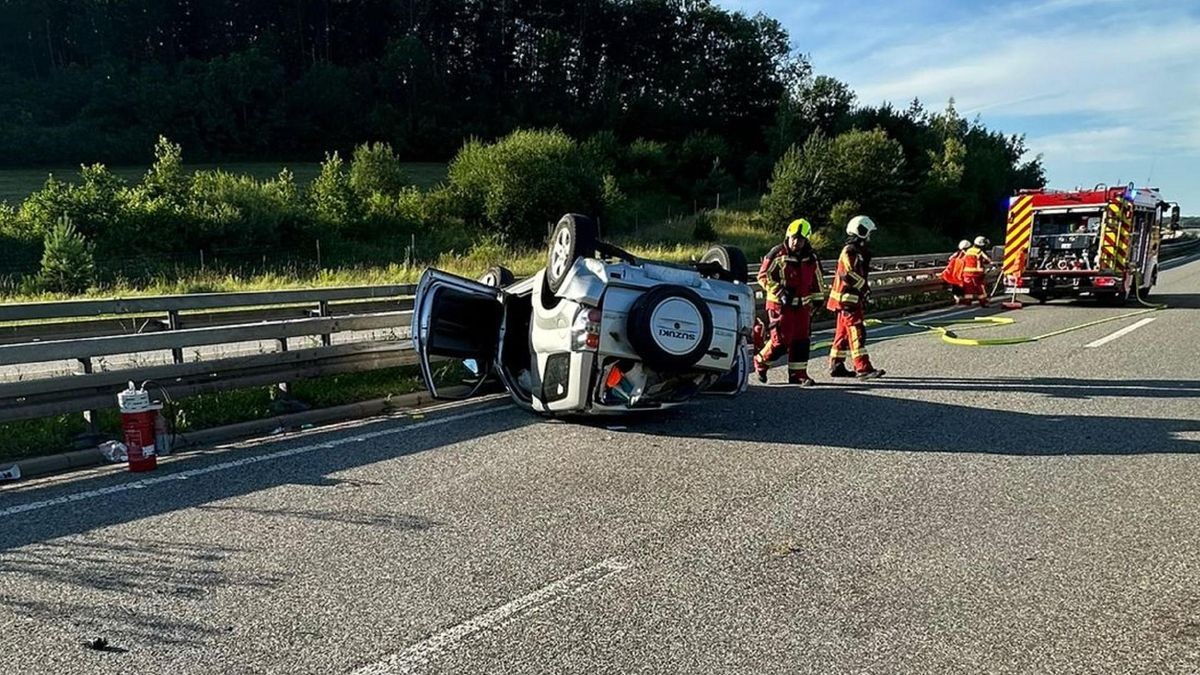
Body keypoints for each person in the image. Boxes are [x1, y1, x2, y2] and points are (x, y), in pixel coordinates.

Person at [753, 218, 824, 385]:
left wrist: (819, 297)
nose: (796, 242)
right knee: (781, 342)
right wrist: (778, 290)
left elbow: (817, 277)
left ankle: (798, 374)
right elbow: (762, 276)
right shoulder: (777, 254)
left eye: (800, 239)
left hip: (802, 306)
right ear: (788, 236)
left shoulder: (811, 257)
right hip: (780, 306)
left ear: (806, 239)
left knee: (801, 340)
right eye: (793, 238)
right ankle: (761, 362)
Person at [827, 216, 884, 379]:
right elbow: (848, 274)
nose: (869, 237)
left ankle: (836, 365)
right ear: (861, 230)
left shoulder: (858, 251)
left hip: (849, 299)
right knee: (856, 332)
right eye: (868, 233)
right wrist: (864, 288)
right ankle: (863, 367)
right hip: (847, 300)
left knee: (842, 334)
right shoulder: (850, 251)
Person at [960, 235, 993, 307]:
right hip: (976, 274)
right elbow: (989, 260)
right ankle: (983, 302)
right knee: (980, 288)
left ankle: (968, 301)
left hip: (966, 273)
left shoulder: (968, 251)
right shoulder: (979, 252)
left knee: (968, 288)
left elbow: (963, 260)